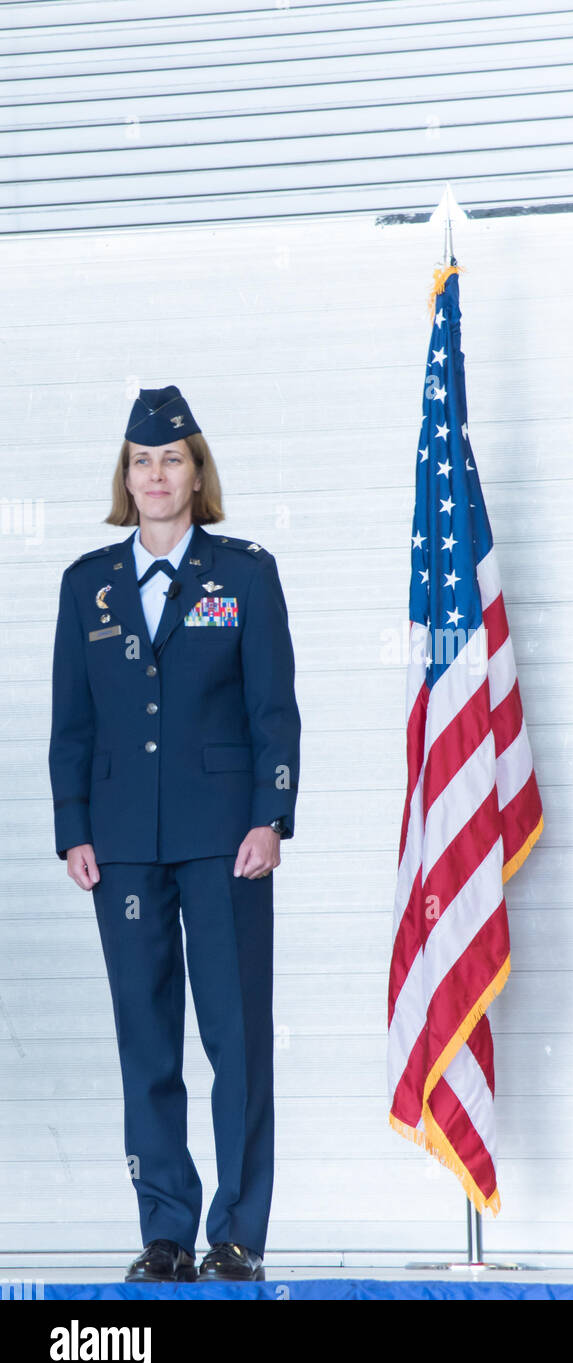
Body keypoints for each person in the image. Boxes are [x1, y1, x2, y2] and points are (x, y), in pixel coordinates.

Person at [48, 385, 301, 1283]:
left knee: (236, 1036)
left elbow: (275, 709)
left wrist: (272, 816)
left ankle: (237, 1231)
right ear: (127, 476)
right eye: (140, 461)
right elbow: (71, 725)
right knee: (145, 1038)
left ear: (198, 473)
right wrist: (74, 826)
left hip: (226, 837)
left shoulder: (244, 573)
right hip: (121, 840)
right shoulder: (89, 584)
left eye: (171, 459)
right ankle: (165, 1229)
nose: (155, 475)